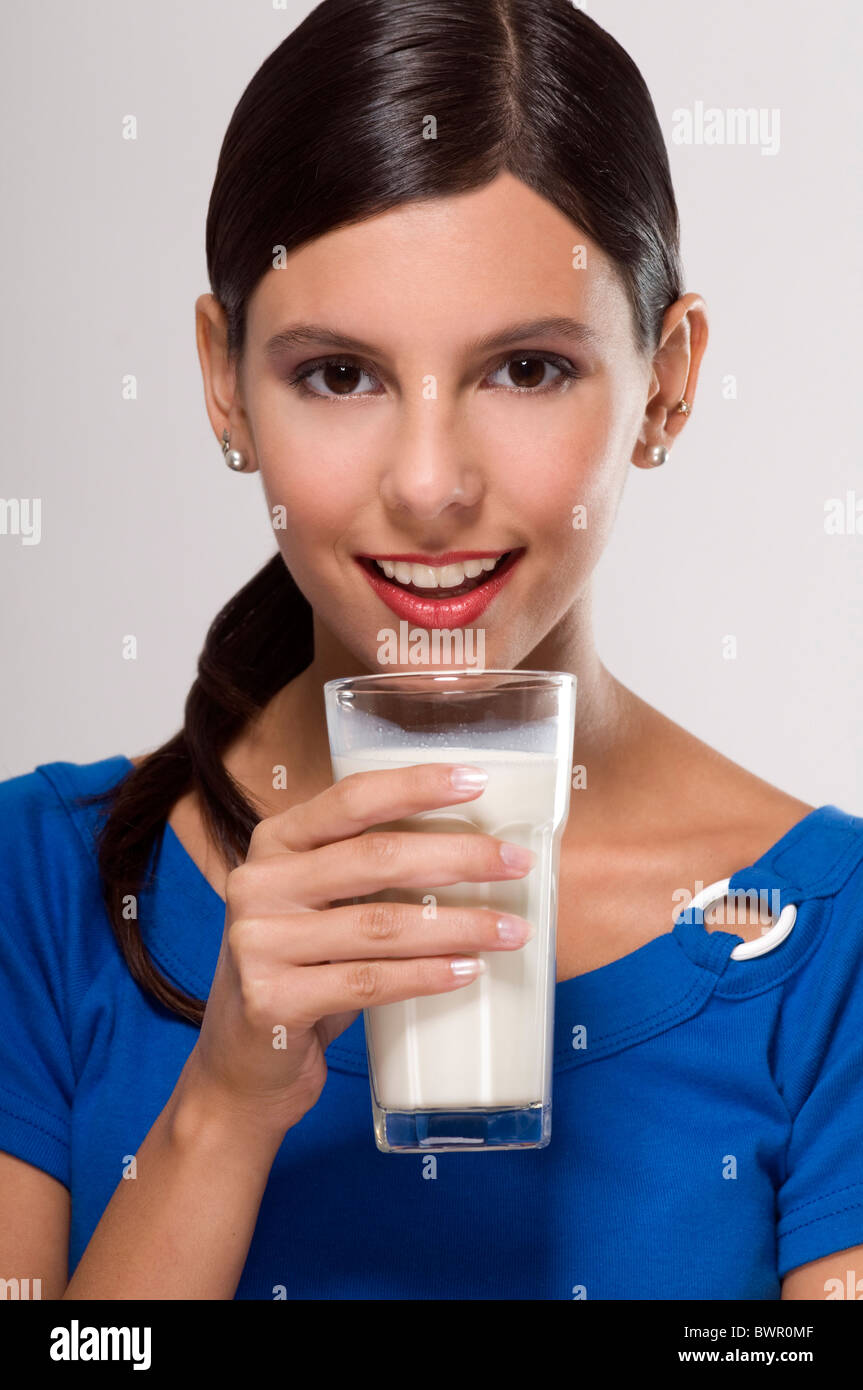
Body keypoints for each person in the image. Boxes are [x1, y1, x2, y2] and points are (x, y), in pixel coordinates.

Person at [1, 0, 862, 1301]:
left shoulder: (825, 942)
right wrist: (220, 1109)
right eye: (339, 375)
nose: (428, 484)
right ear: (224, 382)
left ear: (670, 379)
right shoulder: (43, 886)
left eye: (524, 368)